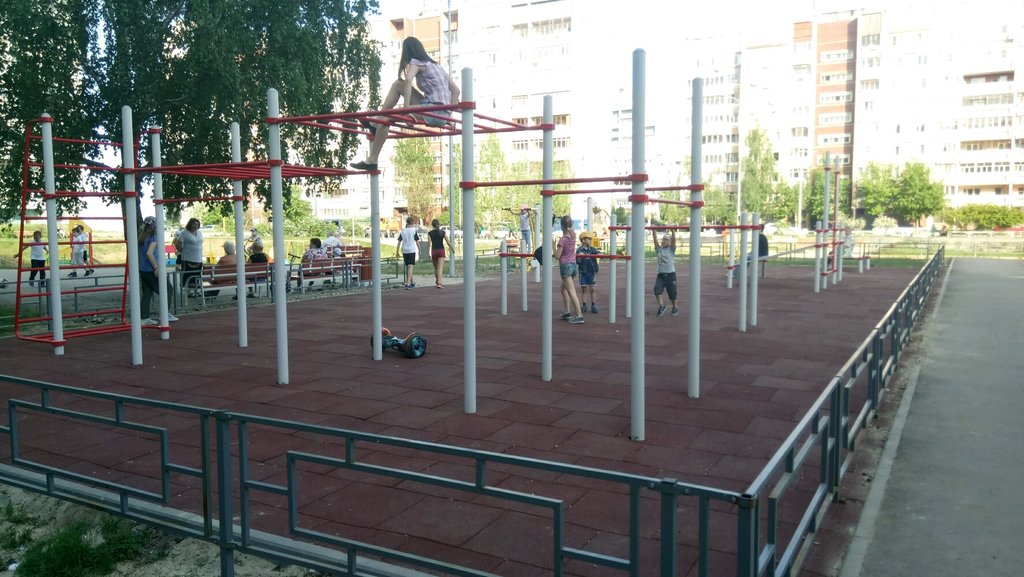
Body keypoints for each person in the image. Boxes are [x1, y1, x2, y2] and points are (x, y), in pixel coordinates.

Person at [350, 37, 461, 171]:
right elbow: (456, 90)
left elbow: (409, 80)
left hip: (434, 111)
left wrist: (406, 108)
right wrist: (449, 116)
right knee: (399, 84)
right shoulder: (436, 66)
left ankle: (372, 160)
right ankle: (376, 122)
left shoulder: (416, 62)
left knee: (388, 117)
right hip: (438, 110)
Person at [138, 216, 178, 325]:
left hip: (143, 269)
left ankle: (144, 317)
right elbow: (149, 253)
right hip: (152, 269)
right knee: (168, 289)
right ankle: (165, 314)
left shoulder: (142, 237)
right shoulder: (154, 237)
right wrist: (156, 267)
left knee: (147, 293)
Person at [554, 215, 584, 324]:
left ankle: (579, 315)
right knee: (563, 288)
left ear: (561, 227)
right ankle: (567, 312)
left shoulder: (562, 240)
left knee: (571, 291)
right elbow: (570, 228)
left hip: (565, 266)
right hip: (573, 265)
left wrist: (553, 246)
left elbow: (557, 256)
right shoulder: (573, 236)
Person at [652, 228, 679, 317]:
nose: (665, 241)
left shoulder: (671, 250)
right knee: (657, 290)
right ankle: (661, 306)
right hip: (661, 275)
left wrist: (673, 231)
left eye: (667, 239)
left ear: (670, 242)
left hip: (671, 275)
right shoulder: (658, 250)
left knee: (672, 293)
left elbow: (674, 241)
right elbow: (655, 241)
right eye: (664, 239)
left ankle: (675, 307)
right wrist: (654, 231)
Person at [173, 218, 204, 292]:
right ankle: (189, 291)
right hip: (188, 258)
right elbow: (177, 243)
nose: (196, 226)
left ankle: (196, 290)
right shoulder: (185, 233)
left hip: (198, 258)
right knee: (188, 275)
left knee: (197, 275)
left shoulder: (199, 232)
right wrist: (182, 251)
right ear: (190, 224)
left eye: (197, 224)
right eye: (194, 224)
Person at [576, 231, 600, 314]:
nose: (590, 241)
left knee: (592, 289)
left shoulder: (592, 249)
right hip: (583, 272)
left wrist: (599, 254)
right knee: (584, 289)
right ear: (583, 240)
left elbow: (598, 253)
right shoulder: (579, 250)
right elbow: (577, 261)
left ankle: (593, 305)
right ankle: (584, 304)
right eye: (589, 239)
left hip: (591, 271)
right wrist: (580, 256)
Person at [428, 219, 455, 289]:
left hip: (434, 251)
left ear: (432, 225)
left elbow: (429, 244)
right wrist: (452, 249)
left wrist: (428, 253)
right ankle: (439, 283)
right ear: (438, 224)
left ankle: (437, 281)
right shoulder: (443, 232)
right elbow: (448, 242)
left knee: (436, 268)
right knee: (440, 268)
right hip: (441, 251)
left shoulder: (430, 233)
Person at [396, 218, 419, 289]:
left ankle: (412, 282)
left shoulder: (403, 231)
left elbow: (399, 241)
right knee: (410, 266)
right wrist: (419, 249)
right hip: (411, 250)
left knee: (408, 266)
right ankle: (408, 283)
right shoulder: (414, 230)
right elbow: (417, 241)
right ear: (413, 223)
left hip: (404, 250)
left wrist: (397, 251)